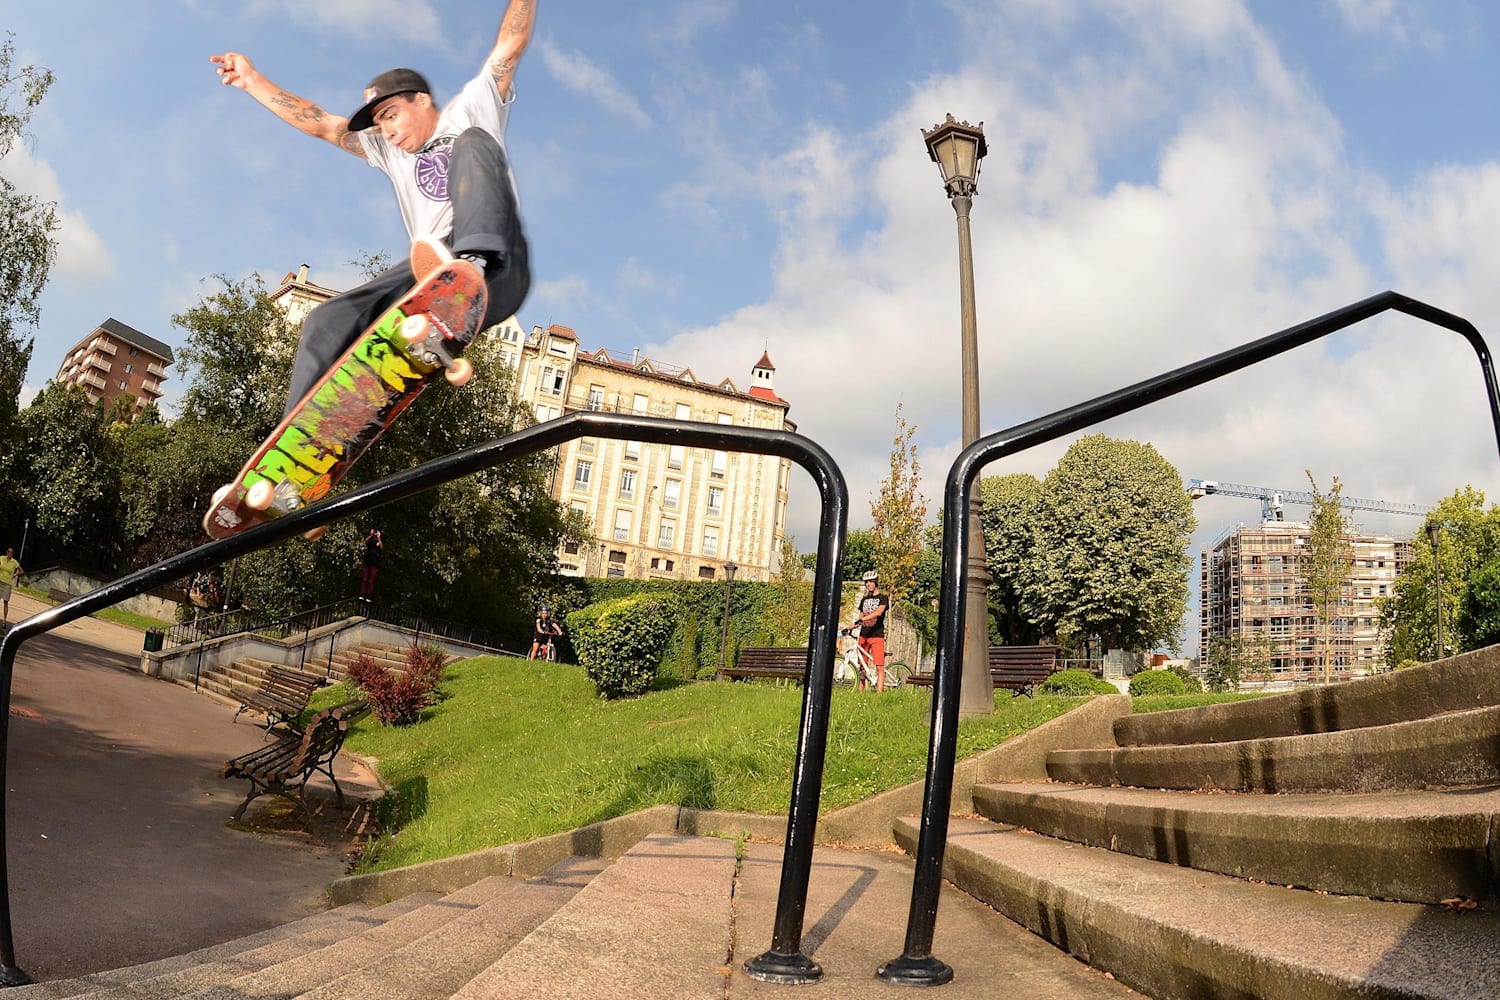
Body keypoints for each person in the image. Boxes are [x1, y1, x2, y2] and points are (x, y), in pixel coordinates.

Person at [209, 0, 535, 418]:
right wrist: (253, 80)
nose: (387, 130)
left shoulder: (473, 107)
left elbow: (510, 43)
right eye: (379, 122)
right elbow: (322, 123)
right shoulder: (385, 148)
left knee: (473, 142)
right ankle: (296, 444)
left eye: (391, 115)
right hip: (430, 271)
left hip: (501, 263)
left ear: (422, 101)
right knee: (327, 321)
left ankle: (470, 269)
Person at [850, 570, 890, 692]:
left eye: (871, 582)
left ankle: (879, 695)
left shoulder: (883, 598)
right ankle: (860, 692)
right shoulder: (864, 600)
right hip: (864, 635)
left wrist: (861, 619)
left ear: (876, 582)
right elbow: (860, 617)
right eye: (866, 582)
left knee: (879, 666)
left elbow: (878, 613)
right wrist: (852, 626)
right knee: (862, 666)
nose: (868, 584)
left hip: (877, 635)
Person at [359, 529, 383, 601]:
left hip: (375, 563)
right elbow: (365, 542)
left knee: (371, 581)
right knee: (364, 579)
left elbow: (381, 546)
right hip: (367, 562)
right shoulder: (370, 541)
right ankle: (362, 595)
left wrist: (379, 537)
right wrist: (370, 535)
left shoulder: (378, 541)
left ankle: (368, 596)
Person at [0, 547, 21, 624]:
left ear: (12, 554)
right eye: (8, 551)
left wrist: (15, 574)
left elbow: (21, 570)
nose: (9, 553)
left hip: (7, 584)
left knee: (6, 602)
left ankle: (4, 621)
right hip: (0, 581)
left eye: (11, 552)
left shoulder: (14, 562)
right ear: (6, 552)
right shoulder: (1, 558)